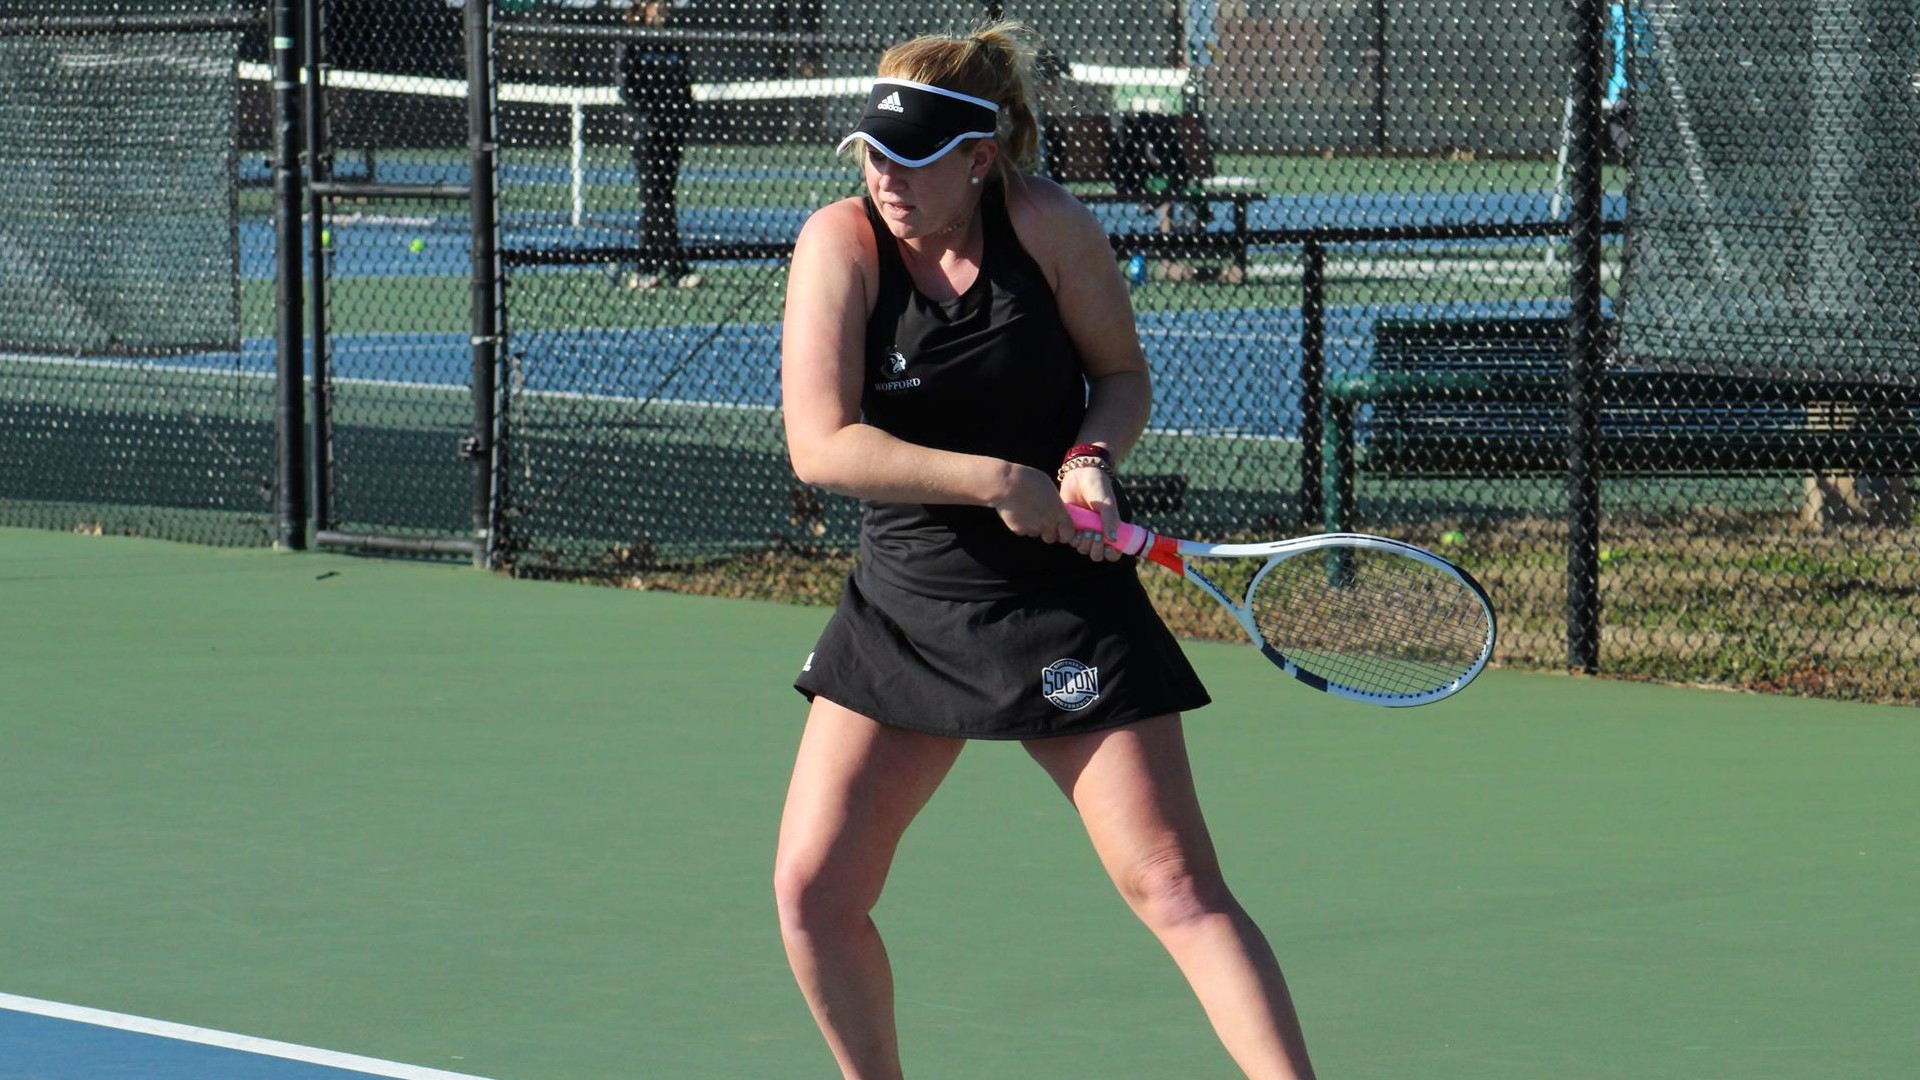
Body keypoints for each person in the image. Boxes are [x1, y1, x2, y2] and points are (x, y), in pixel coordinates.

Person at [775, 22, 1318, 1080]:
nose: (888, 178)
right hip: (907, 605)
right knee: (814, 894)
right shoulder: (837, 245)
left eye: (915, 160)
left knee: (1174, 886)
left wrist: (1088, 456)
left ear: (980, 158)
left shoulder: (1051, 227)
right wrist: (993, 479)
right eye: (874, 155)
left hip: (1063, 600)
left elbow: (1119, 375)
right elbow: (820, 445)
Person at [617, 0, 701, 289]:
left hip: (671, 131)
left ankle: (645, 268)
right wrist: (646, 120)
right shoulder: (631, 39)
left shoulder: (672, 41)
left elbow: (686, 83)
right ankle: (676, 268)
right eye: (658, 4)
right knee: (656, 199)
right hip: (645, 133)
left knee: (661, 199)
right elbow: (626, 86)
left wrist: (683, 116)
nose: (664, 9)